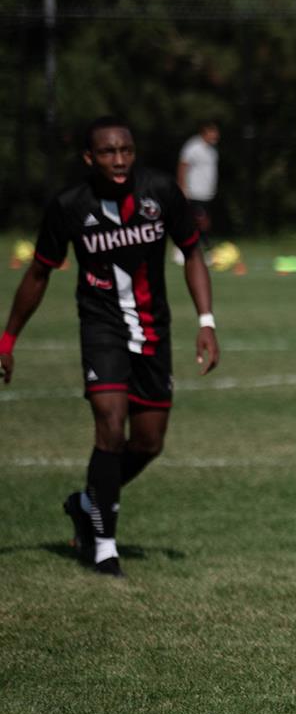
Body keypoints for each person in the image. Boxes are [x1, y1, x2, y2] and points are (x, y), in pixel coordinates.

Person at [2, 116, 220, 578]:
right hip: (101, 329)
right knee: (111, 426)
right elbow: (39, 273)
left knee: (149, 442)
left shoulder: (159, 192)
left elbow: (193, 253)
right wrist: (8, 339)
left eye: (125, 150)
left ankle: (86, 503)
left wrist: (206, 321)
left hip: (152, 331)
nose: (118, 160)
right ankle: (103, 545)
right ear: (89, 157)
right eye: (107, 152)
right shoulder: (69, 206)